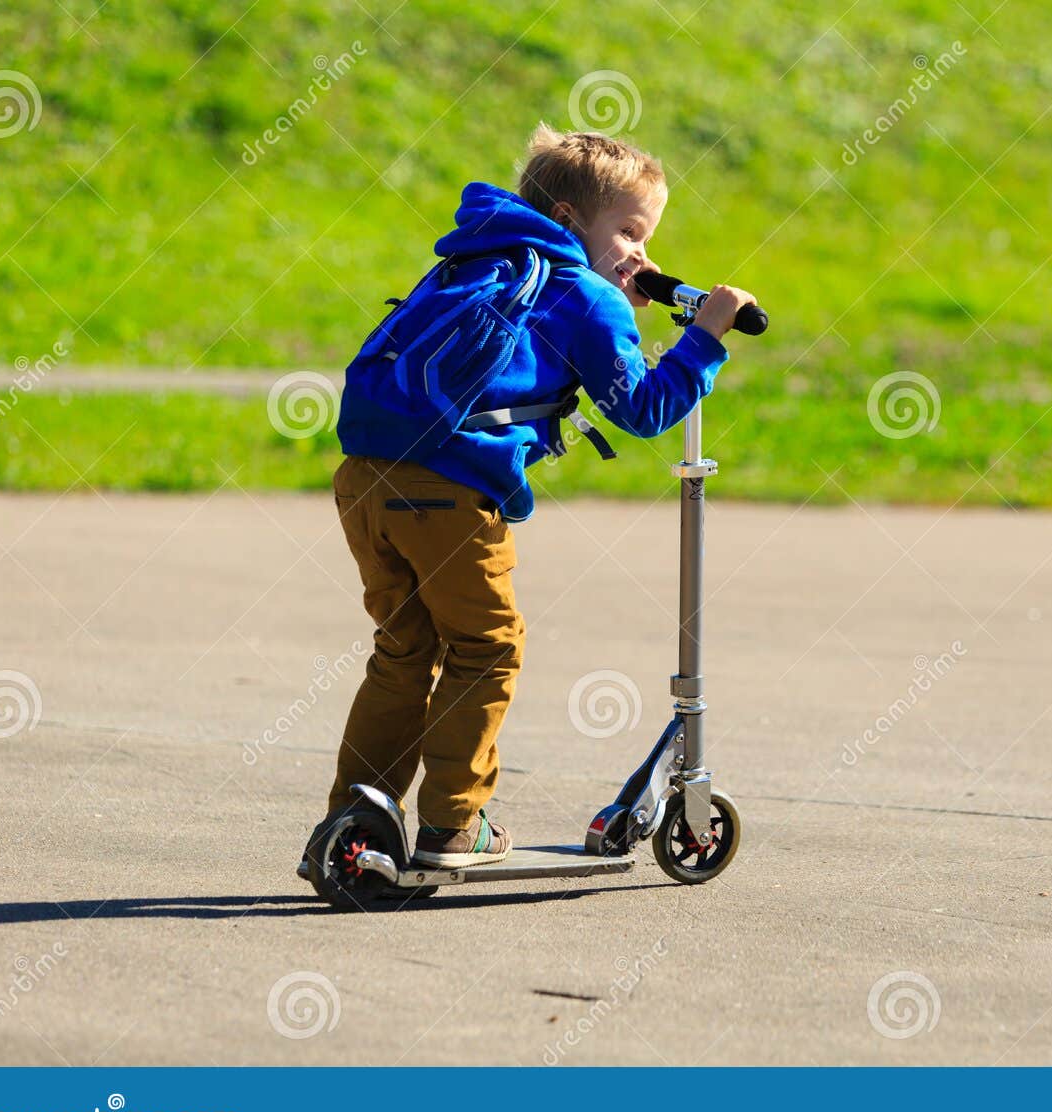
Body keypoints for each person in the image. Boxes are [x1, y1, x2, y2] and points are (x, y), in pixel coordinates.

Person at [310, 125, 757, 870]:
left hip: (364, 476)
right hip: (451, 489)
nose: (641, 256)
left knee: (403, 649)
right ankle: (454, 823)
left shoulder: (472, 260)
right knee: (488, 648)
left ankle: (359, 822)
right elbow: (643, 410)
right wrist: (705, 336)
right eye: (629, 232)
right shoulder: (586, 295)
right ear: (570, 218)